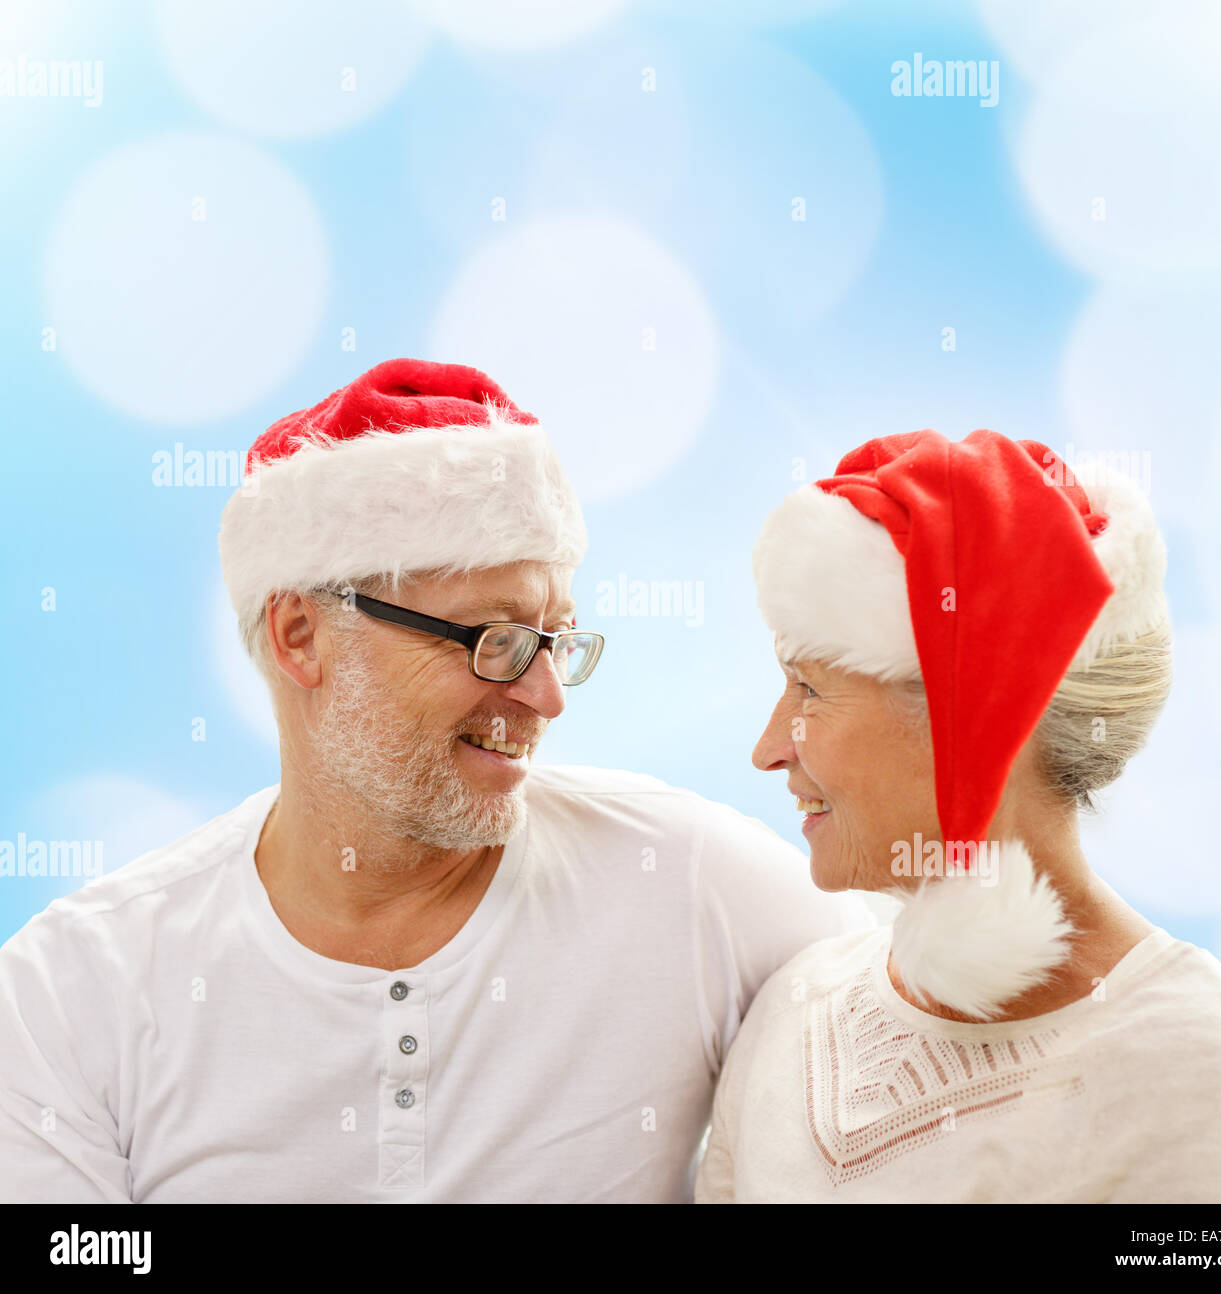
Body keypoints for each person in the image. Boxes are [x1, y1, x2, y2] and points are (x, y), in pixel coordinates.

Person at [0, 359, 870, 1204]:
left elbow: (937, 1064)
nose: (547, 696)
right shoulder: (69, 996)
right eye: (492, 640)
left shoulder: (699, 892)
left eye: (554, 639)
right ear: (302, 635)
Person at [695, 428, 1221, 1203]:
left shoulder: (1192, 1066)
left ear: (978, 723)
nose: (769, 747)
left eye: (809, 689)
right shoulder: (794, 1008)